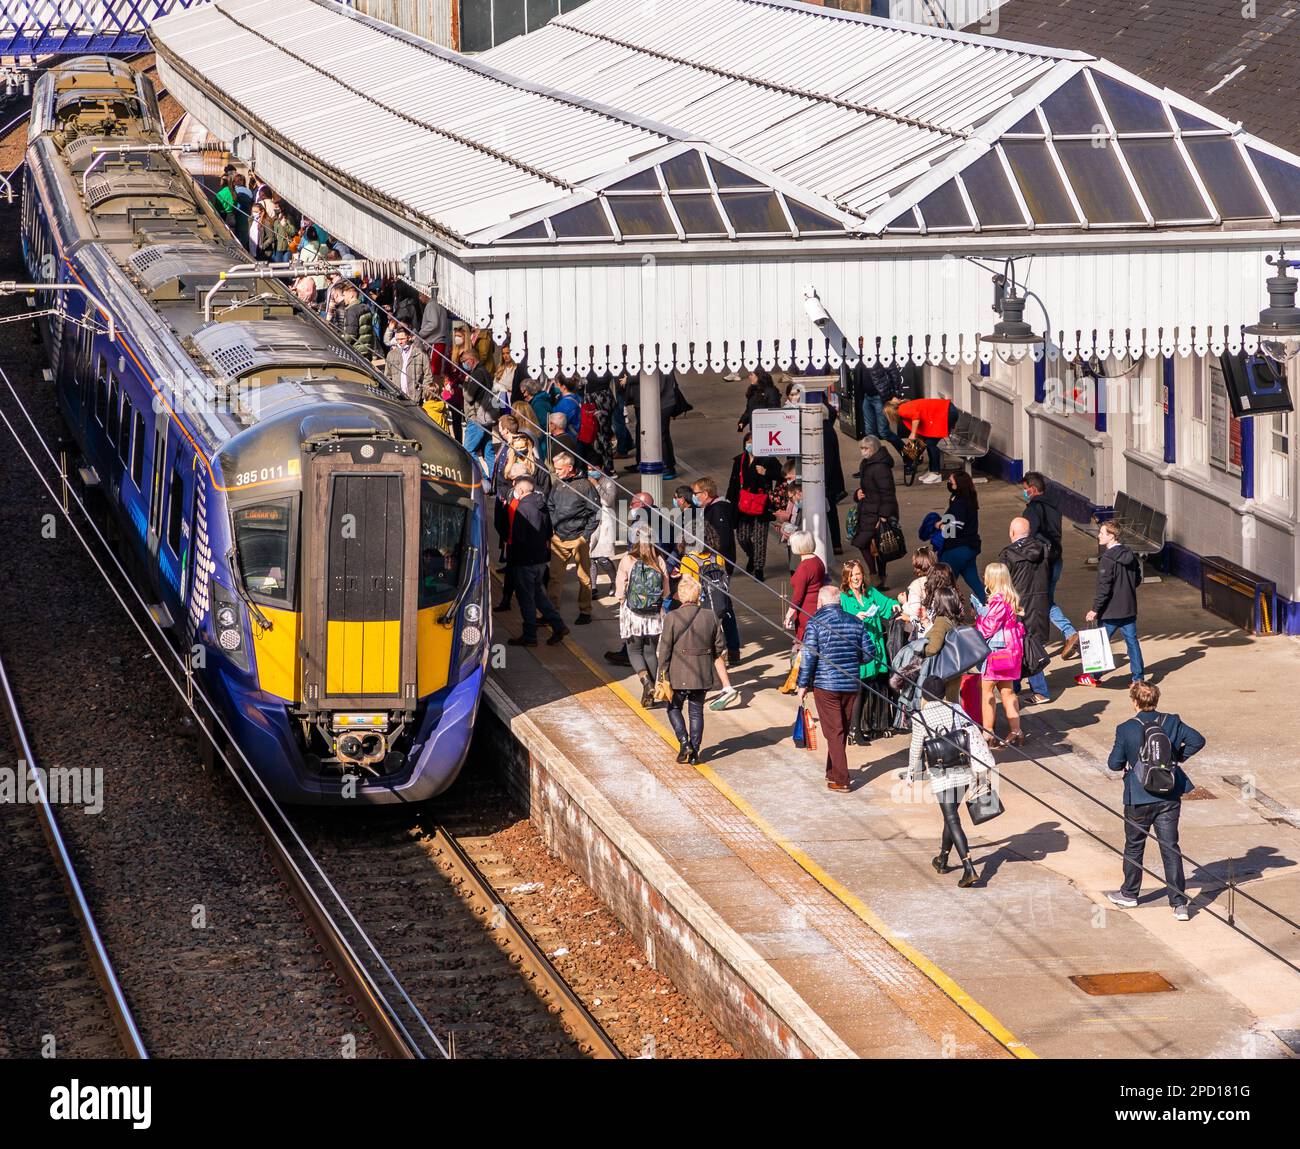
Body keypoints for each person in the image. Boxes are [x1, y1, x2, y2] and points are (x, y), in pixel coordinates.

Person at [1106, 682, 1205, 920]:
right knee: (1170, 847)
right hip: (1169, 794)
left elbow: (1114, 763)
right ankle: (1179, 904)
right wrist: (1175, 759)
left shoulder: (1126, 728)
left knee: (1134, 845)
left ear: (1134, 701)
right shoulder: (1172, 721)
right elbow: (1197, 740)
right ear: (1157, 700)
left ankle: (1129, 894)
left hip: (1138, 796)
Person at [907, 675, 994, 888]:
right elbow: (970, 732)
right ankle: (942, 859)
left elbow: (916, 748)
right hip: (963, 769)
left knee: (952, 818)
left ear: (925, 695)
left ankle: (968, 867)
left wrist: (911, 774)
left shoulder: (920, 717)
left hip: (941, 773)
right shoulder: (955, 708)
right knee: (951, 816)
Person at [798, 585, 877, 792]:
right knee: (839, 728)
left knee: (834, 731)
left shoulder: (814, 623)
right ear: (840, 602)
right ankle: (832, 771)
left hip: (826, 684)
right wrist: (852, 660)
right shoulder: (856, 621)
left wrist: (802, 684)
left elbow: (808, 657)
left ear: (821, 602)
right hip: (851, 684)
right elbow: (870, 653)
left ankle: (841, 779)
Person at [657, 576, 727, 764]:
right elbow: (719, 645)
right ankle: (695, 751)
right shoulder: (710, 616)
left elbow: (664, 649)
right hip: (702, 673)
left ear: (680, 595)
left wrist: (661, 674)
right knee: (696, 711)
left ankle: (683, 741)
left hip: (678, 672)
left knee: (673, 707)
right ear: (698, 595)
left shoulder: (672, 617)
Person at [1077, 520, 1146, 688]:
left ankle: (1093, 675)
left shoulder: (1107, 559)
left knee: (1099, 643)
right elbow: (1137, 578)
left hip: (1110, 611)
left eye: (1102, 533)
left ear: (1111, 536)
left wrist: (1095, 609)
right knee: (1132, 642)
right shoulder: (1130, 554)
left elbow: (1104, 588)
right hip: (1128, 608)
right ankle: (1138, 678)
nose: (1099, 536)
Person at [504, 477, 569, 648]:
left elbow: (518, 537)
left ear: (521, 491)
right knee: (539, 596)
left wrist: (513, 558)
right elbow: (548, 531)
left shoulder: (522, 509)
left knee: (526, 598)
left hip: (524, 560)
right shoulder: (542, 505)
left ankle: (530, 636)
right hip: (540, 560)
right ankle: (558, 625)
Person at [1022, 471, 1079, 658]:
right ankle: (1066, 633)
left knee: (1041, 600)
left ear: (1033, 489)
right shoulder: (1054, 506)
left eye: (1025, 489)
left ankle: (1067, 632)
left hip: (1041, 562)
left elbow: (1027, 536)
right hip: (1056, 558)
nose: (1024, 492)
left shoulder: (1032, 510)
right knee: (1046, 598)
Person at [840, 559, 897, 745]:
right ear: (846, 578)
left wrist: (897, 605)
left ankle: (871, 726)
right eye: (852, 575)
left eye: (858, 574)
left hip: (875, 647)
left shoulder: (870, 592)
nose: (856, 578)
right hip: (857, 650)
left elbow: (887, 604)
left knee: (872, 687)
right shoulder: (843, 598)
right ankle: (854, 730)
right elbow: (838, 622)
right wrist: (854, 618)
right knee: (858, 689)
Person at [616, 528, 671, 708]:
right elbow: (667, 591)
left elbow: (620, 589)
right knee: (650, 652)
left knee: (634, 651)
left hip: (633, 614)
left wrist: (623, 600)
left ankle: (646, 681)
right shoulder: (659, 560)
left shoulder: (627, 559)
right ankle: (652, 693)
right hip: (653, 614)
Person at [975, 562, 1026, 746]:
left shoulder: (997, 601)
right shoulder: (1011, 599)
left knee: (987, 691)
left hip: (997, 652)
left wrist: (979, 615)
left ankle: (988, 733)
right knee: (1008, 691)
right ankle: (1016, 731)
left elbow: (987, 629)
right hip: (1011, 651)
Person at [1001, 517, 1050, 704]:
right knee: (1031, 643)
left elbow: (1004, 583)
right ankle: (1016, 685)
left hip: (1019, 606)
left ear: (1013, 533)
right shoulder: (1043, 549)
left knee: (1023, 646)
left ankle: (1039, 690)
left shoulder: (1008, 555)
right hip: (1040, 603)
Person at [547, 452, 599, 626]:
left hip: (578, 538)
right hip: (559, 538)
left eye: (560, 469)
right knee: (555, 577)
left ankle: (585, 610)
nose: (557, 471)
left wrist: (584, 537)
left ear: (570, 468)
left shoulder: (585, 486)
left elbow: (595, 514)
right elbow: (551, 505)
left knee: (584, 577)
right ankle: (552, 610)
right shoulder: (558, 483)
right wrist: (554, 527)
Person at [726, 434, 781, 581]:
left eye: (753, 442)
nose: (750, 445)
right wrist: (730, 503)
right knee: (742, 537)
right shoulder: (739, 460)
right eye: (747, 442)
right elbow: (733, 483)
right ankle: (752, 555)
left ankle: (758, 568)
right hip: (743, 504)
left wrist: (765, 473)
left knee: (759, 538)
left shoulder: (768, 459)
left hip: (761, 504)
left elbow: (780, 475)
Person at [780, 530, 825, 693]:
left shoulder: (805, 567)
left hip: (806, 610)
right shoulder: (818, 561)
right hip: (817, 607)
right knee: (814, 644)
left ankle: (800, 679)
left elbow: (798, 595)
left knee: (802, 644)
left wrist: (789, 613)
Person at [851, 434, 899, 587]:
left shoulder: (879, 467)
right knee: (877, 545)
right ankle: (879, 576)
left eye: (865, 448)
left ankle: (875, 575)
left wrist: (884, 516)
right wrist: (857, 494)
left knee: (869, 543)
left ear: (873, 449)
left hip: (876, 512)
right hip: (869, 509)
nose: (862, 452)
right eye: (861, 448)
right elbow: (867, 487)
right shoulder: (869, 464)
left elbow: (888, 492)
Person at [886, 395, 957, 482]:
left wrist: (912, 434)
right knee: (928, 442)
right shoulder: (905, 407)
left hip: (947, 412)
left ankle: (935, 473)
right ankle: (932, 470)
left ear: (891, 412)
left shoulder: (902, 410)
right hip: (947, 410)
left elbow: (916, 416)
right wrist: (918, 450)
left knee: (931, 443)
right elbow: (922, 427)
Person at [940, 470, 985, 603]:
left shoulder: (960, 503)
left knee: (944, 584)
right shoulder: (965, 499)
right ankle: (988, 606)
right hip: (969, 548)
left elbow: (955, 528)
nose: (949, 484)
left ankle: (948, 611)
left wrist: (940, 527)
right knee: (974, 581)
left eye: (951, 482)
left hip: (957, 549)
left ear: (958, 485)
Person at [460, 347, 500, 475]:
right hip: (485, 417)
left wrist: (465, 385)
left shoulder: (477, 374)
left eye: (464, 361)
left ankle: (483, 479)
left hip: (477, 417)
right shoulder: (485, 372)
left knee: (468, 450)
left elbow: (469, 397)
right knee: (488, 451)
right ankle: (496, 482)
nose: (463, 364)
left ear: (471, 360)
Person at [690, 477, 737, 576]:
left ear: (705, 494)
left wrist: (714, 561)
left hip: (718, 564)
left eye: (695, 494)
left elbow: (723, 540)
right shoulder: (708, 509)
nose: (693, 496)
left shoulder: (718, 511)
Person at [385, 326, 430, 400]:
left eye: (402, 339)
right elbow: (387, 376)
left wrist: (423, 394)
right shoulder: (391, 355)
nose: (400, 342)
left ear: (409, 337)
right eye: (397, 339)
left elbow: (428, 376)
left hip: (416, 398)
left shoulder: (420, 353)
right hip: (398, 399)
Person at [897, 545, 937, 629]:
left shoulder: (916, 585)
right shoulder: (940, 579)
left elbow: (915, 612)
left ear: (916, 564)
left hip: (926, 629)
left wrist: (904, 603)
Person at [418, 289, 452, 376]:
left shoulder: (431, 305)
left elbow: (433, 323)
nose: (419, 298)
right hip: (439, 342)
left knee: (432, 373)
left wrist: (420, 334)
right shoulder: (440, 304)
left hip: (435, 343)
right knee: (437, 371)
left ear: (425, 294)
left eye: (420, 295)